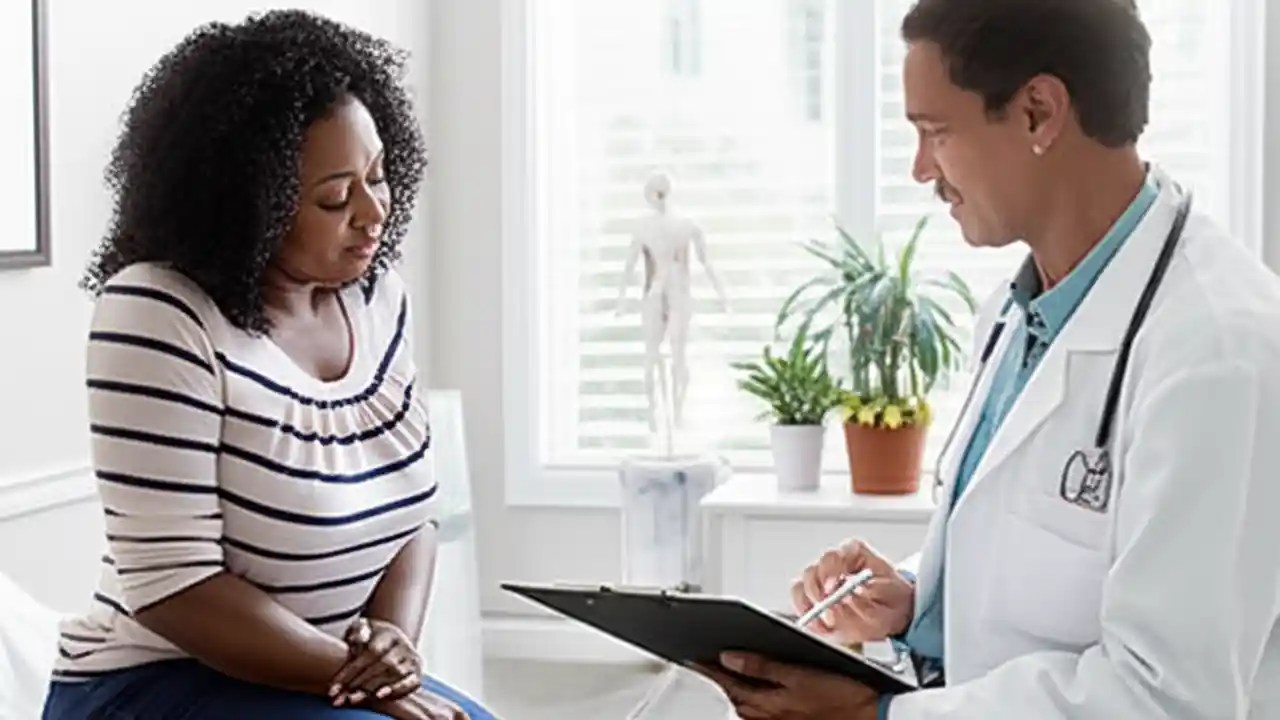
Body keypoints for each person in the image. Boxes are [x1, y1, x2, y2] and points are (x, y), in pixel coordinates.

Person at [695, 0, 1280, 717]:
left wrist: (872, 716)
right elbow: (1048, 574)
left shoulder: (1220, 350)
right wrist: (918, 599)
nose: (918, 169)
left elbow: (1166, 698)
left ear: (1038, 111)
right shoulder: (1015, 315)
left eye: (935, 133)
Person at [42, 11, 497, 720]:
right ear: (246, 203)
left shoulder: (378, 301)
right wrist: (358, 676)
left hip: (324, 673)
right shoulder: (159, 311)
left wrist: (393, 655)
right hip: (160, 683)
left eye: (378, 177)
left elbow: (415, 519)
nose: (374, 212)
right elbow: (175, 587)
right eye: (335, 197)